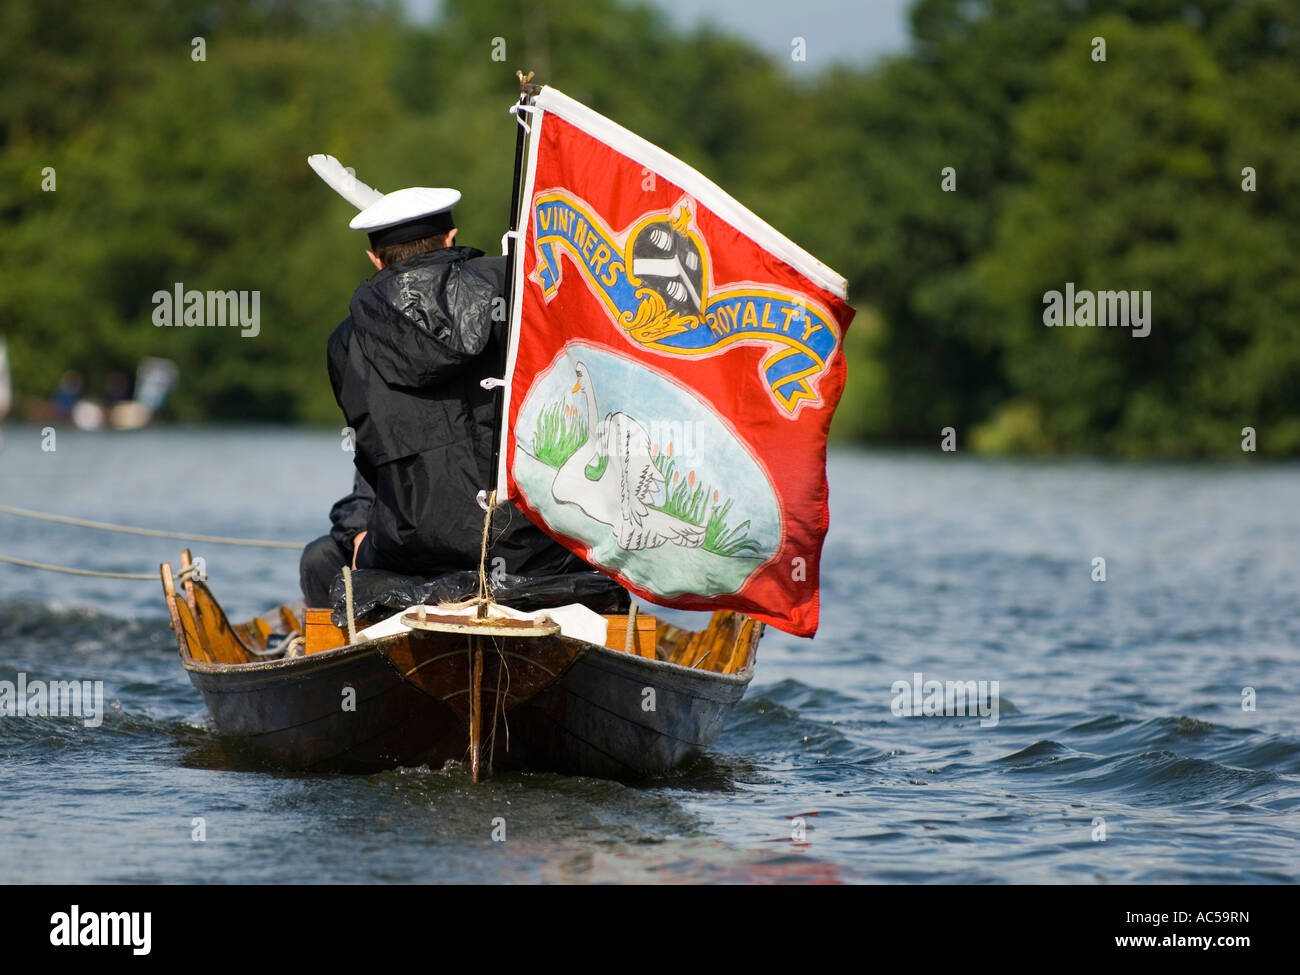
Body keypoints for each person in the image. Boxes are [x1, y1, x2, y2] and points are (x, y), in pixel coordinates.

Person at [299, 185, 583, 606]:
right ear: (451, 238)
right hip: (531, 550)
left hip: (410, 553)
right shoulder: (521, 289)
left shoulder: (343, 342)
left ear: (375, 259)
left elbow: (372, 466)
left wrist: (362, 534)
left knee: (322, 556)